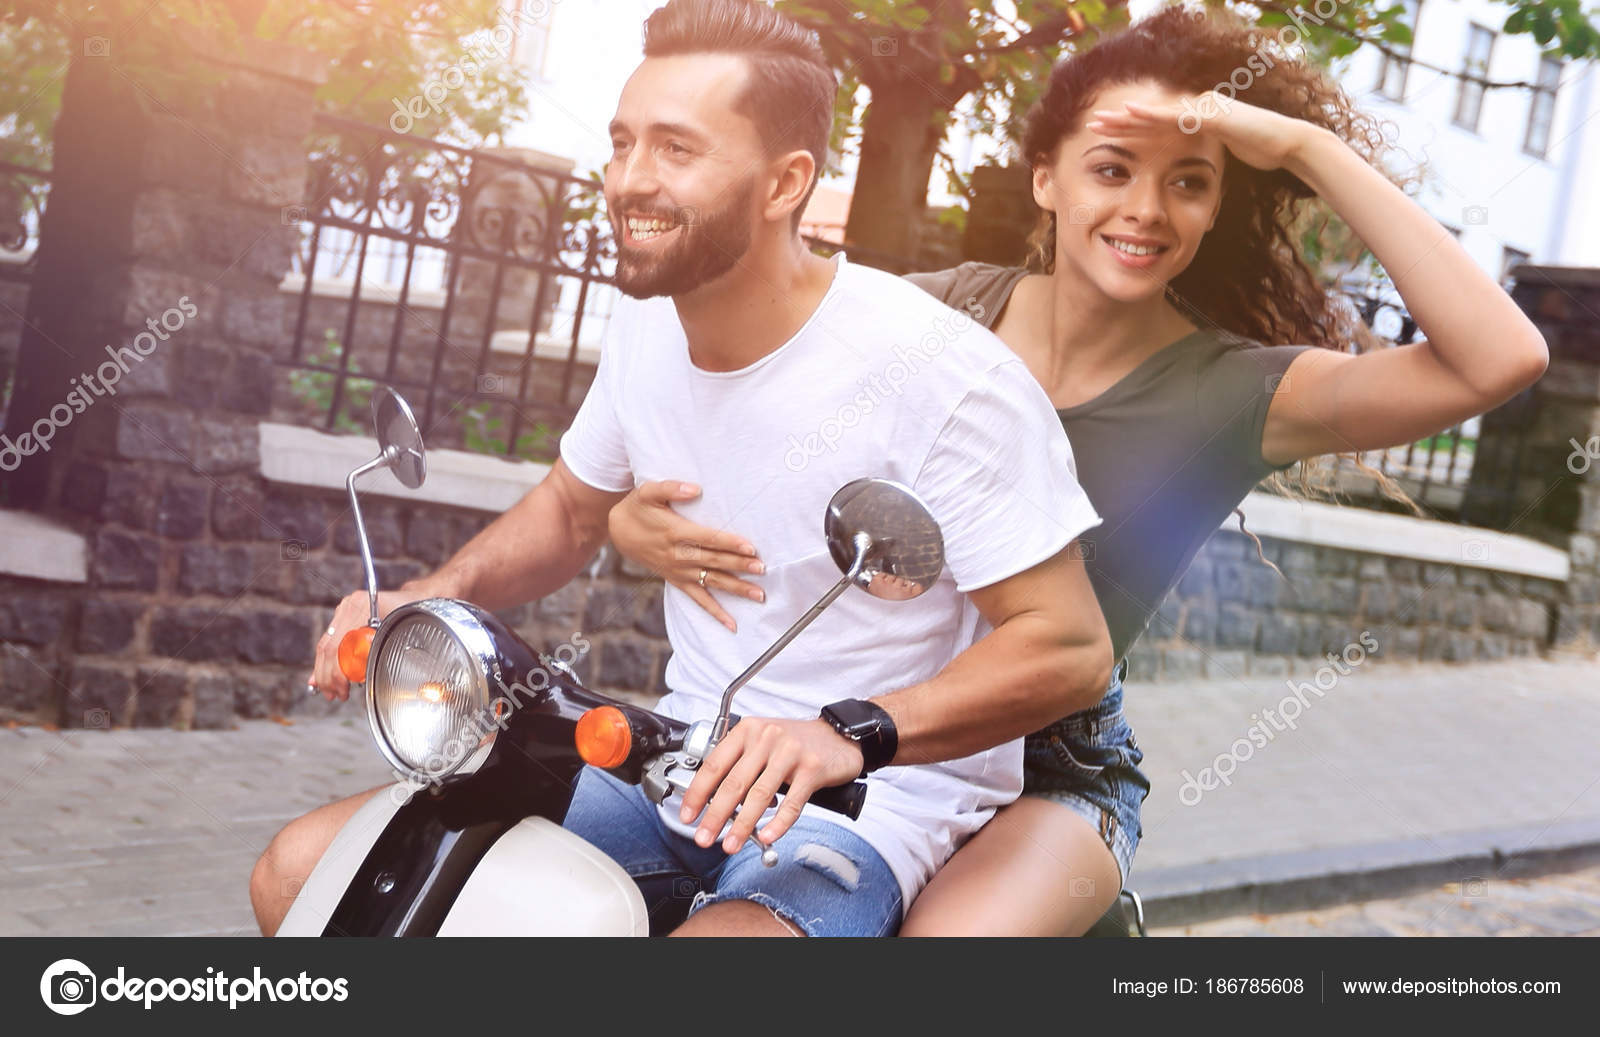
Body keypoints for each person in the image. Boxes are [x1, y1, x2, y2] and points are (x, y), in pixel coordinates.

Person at [603, 6, 1550, 936]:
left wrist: (1303, 148)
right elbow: (750, 422)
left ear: (1215, 207)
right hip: (861, 742)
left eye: (1188, 182)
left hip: (1054, 772)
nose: (1146, 209)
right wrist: (626, 517)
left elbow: (1498, 360)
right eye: (1111, 168)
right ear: (1045, 178)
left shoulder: (1236, 391)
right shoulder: (932, 321)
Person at [250, 0, 1114, 938]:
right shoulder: (647, 323)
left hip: (861, 807)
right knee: (300, 874)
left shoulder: (940, 375)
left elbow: (1068, 647)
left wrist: (845, 733)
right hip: (671, 771)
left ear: (786, 183)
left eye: (675, 149)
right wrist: (433, 592)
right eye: (622, 143)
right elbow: (572, 511)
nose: (629, 180)